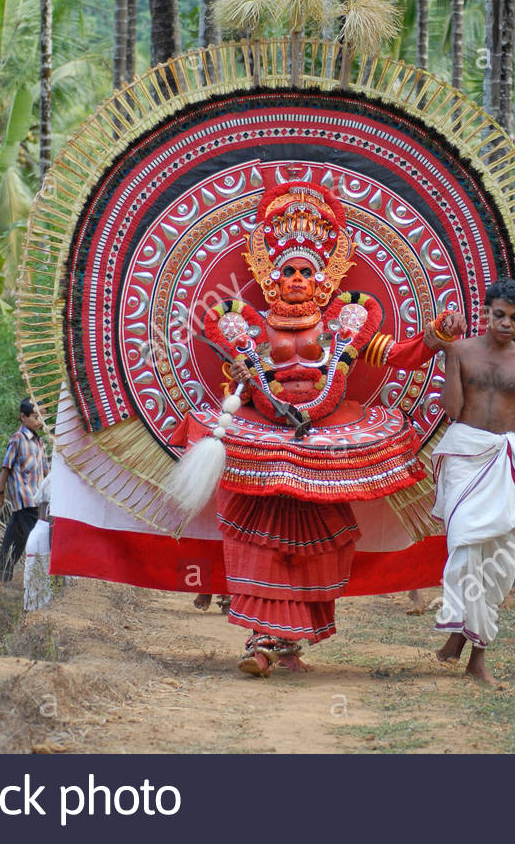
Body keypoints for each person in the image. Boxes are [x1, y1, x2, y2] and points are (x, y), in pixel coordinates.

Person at [182, 177, 464, 677]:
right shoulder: (247, 324)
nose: (295, 279)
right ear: (272, 277)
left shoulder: (344, 326)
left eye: (305, 273)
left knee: (314, 542)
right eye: (287, 270)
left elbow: (398, 357)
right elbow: (237, 372)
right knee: (259, 538)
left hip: (326, 435)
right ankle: (261, 642)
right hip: (263, 436)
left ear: (321, 281)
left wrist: (436, 338)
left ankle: (288, 644)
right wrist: (253, 379)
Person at [432, 278, 515, 686]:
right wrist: (450, 354)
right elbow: (452, 410)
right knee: (466, 547)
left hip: (504, 460)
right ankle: (458, 634)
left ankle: (474, 654)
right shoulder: (462, 349)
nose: (506, 323)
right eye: (499, 315)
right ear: (486, 312)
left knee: (499, 556)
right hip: (465, 455)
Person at [0, 398, 47, 582]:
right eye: (34, 416)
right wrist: (0, 493)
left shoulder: (39, 442)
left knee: (15, 538)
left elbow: (45, 471)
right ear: (23, 417)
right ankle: (41, 579)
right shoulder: (18, 439)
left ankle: (3, 577)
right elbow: (6, 467)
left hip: (37, 499)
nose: (38, 420)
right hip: (25, 499)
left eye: (41, 416)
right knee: (39, 538)